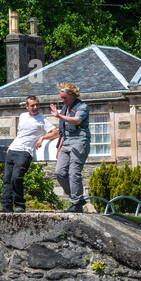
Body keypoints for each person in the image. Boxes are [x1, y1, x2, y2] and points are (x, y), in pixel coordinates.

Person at [1, 95, 58, 212]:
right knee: (7, 179)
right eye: (32, 105)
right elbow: (21, 134)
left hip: (25, 151)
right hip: (13, 149)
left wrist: (42, 138)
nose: (35, 107)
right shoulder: (22, 116)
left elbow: (55, 133)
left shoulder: (42, 119)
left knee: (17, 177)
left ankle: (20, 205)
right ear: (27, 107)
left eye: (37, 105)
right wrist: (11, 146)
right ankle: (6, 206)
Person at [50, 83, 91, 212]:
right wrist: (58, 148)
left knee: (74, 173)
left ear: (72, 96)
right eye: (61, 97)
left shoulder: (82, 107)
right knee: (59, 172)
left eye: (64, 98)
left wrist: (59, 116)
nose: (62, 100)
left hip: (79, 143)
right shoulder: (64, 108)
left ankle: (76, 203)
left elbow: (77, 120)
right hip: (65, 143)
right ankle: (77, 199)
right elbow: (62, 131)